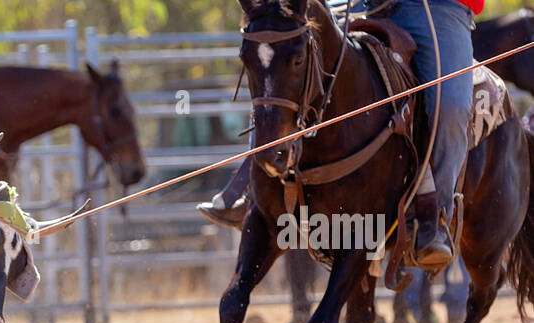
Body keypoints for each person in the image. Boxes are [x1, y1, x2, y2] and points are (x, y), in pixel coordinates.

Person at [199, 0, 482, 271]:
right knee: (282, 40)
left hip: (437, 8)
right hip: (367, 2)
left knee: (451, 106)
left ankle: (434, 218)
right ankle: (255, 189)